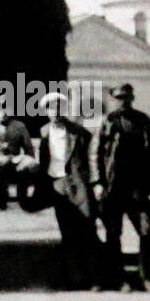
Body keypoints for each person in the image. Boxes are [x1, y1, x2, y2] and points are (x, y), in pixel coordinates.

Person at [96, 83, 150, 291]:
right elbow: (94, 154)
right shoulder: (107, 121)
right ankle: (118, 278)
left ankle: (146, 277)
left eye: (126, 97)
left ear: (132, 98)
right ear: (113, 99)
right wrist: (98, 182)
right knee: (114, 233)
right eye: (119, 97)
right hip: (114, 186)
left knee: (146, 230)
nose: (123, 101)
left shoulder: (142, 120)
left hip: (137, 187)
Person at [37, 91, 99, 290]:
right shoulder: (44, 132)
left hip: (78, 184)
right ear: (45, 111)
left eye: (58, 107)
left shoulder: (79, 132)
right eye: (50, 108)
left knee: (87, 230)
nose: (54, 112)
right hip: (57, 185)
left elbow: (92, 159)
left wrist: (93, 183)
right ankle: (74, 279)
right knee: (67, 233)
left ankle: (95, 279)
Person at [0, 96, 41, 210]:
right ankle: (1, 197)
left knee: (29, 163)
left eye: (7, 108)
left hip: (14, 159)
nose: (3, 112)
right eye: (0, 108)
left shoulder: (19, 126)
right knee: (3, 162)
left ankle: (22, 197)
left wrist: (30, 162)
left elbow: (29, 149)